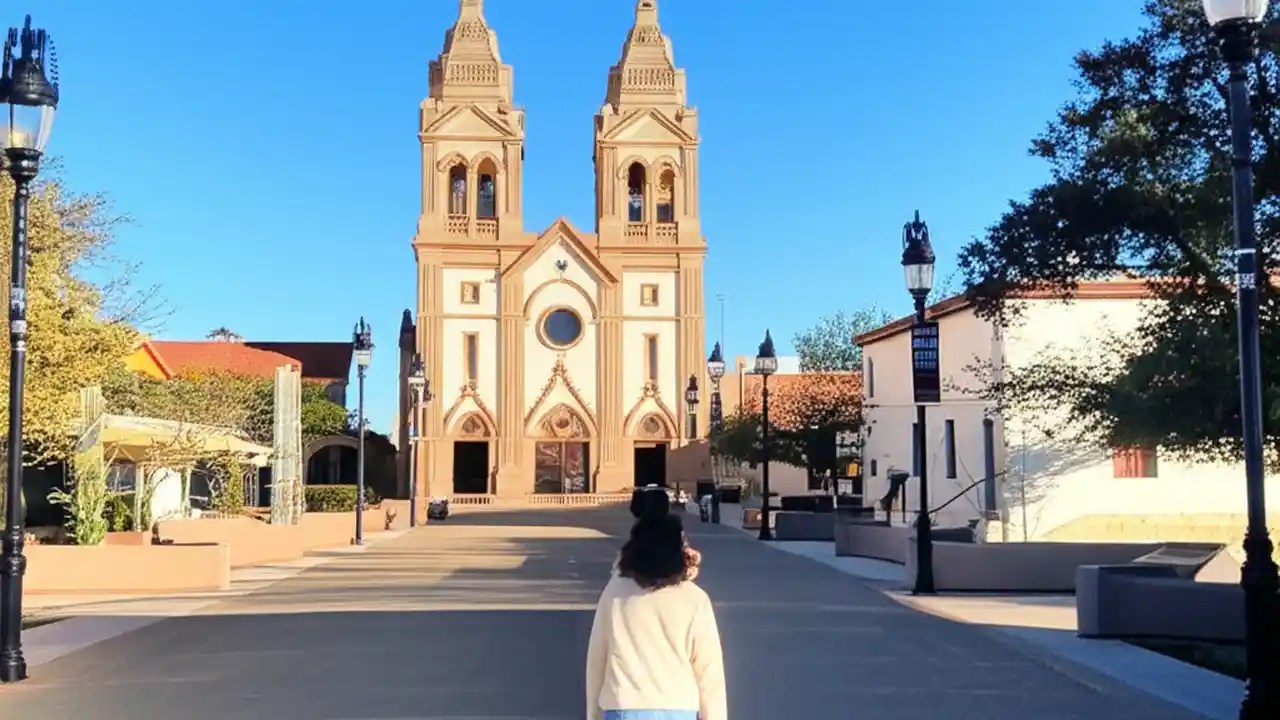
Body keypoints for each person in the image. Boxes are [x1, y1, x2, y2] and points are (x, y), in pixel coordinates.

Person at [586, 490, 726, 720]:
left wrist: (593, 713)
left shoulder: (616, 593)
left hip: (624, 705)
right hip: (679, 705)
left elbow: (597, 660)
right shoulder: (694, 599)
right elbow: (710, 676)